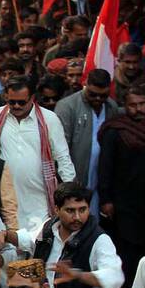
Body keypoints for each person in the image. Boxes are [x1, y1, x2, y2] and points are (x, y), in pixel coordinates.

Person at [14, 182, 123, 288]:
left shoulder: (99, 239)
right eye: (70, 211)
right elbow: (29, 240)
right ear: (57, 210)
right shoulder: (49, 228)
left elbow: (114, 276)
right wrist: (5, 236)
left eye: (82, 210)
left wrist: (78, 275)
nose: (77, 217)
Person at [96, 84, 145, 288]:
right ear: (125, 106)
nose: (138, 109)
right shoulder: (115, 130)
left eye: (142, 104)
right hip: (124, 199)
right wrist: (106, 199)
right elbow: (105, 167)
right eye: (133, 105)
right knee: (127, 245)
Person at [0, 77, 75, 230]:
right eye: (11, 102)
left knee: (37, 245)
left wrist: (71, 193)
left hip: (39, 200)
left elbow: (62, 157)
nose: (16, 106)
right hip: (6, 198)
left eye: (21, 102)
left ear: (33, 99)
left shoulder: (49, 119)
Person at [54, 68, 119, 211]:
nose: (98, 99)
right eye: (93, 94)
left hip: (100, 179)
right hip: (75, 180)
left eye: (103, 96)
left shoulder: (111, 107)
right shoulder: (67, 107)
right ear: (85, 84)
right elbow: (60, 149)